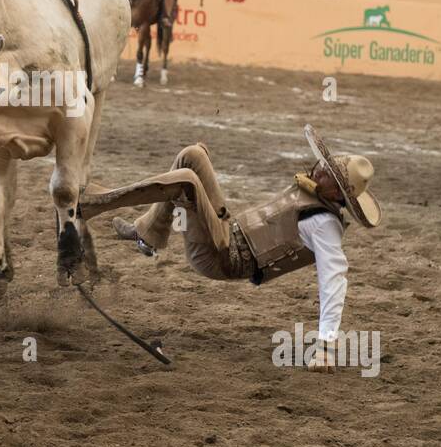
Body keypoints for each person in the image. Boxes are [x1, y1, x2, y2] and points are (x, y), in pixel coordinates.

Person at [79, 126, 382, 372]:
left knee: (186, 181)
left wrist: (326, 344)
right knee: (192, 155)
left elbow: (335, 280)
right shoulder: (314, 197)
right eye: (325, 167)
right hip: (228, 232)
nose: (319, 170)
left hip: (223, 259)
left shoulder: (325, 226)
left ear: (337, 193)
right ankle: (149, 234)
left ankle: (95, 203)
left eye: (329, 174)